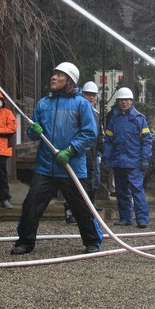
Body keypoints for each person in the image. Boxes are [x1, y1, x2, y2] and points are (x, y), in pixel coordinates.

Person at [11, 62, 103, 255]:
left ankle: (93, 241)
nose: (53, 77)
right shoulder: (43, 103)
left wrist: (71, 150)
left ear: (69, 81)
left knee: (81, 207)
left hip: (72, 166)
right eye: (54, 74)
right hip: (45, 166)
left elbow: (89, 132)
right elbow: (33, 132)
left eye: (60, 75)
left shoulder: (81, 104)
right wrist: (33, 131)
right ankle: (25, 242)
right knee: (32, 204)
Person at [102, 87, 152, 229]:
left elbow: (146, 141)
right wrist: (106, 159)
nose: (124, 102)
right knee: (121, 191)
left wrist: (145, 159)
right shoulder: (113, 120)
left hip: (134, 162)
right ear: (117, 102)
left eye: (127, 100)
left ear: (132, 101)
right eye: (122, 100)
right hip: (118, 162)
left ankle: (142, 219)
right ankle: (126, 217)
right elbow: (109, 141)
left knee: (137, 190)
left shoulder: (139, 119)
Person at [63, 81, 105, 224]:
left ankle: (87, 212)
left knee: (92, 184)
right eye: (88, 94)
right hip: (77, 153)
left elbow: (100, 136)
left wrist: (100, 153)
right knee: (75, 184)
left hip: (93, 155)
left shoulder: (97, 114)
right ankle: (70, 213)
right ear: (82, 94)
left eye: (94, 95)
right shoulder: (75, 111)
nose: (91, 98)